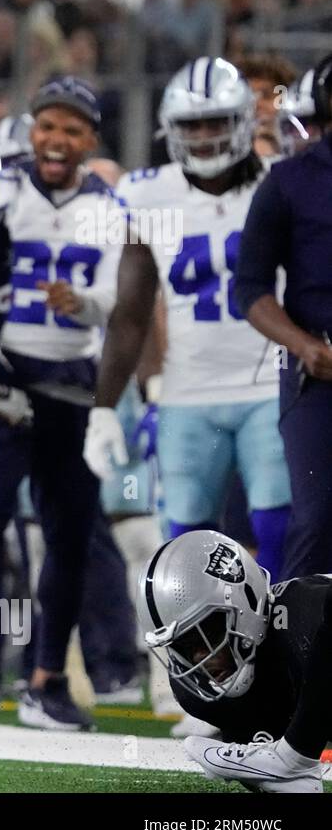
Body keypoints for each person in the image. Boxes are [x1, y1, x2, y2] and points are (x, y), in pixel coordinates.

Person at [0, 76, 124, 730]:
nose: (57, 140)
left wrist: (88, 302)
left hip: (71, 378)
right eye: (48, 126)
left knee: (68, 533)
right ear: (32, 128)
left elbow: (119, 300)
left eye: (73, 130)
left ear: (91, 140)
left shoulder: (107, 203)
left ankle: (46, 679)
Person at [84, 57, 290, 579]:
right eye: (190, 124)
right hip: (187, 391)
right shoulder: (147, 193)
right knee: (186, 551)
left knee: (280, 534)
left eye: (216, 121)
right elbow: (131, 312)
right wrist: (104, 407)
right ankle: (200, 660)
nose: (203, 136)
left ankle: (290, 654)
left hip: (271, 384)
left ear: (244, 120)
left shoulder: (281, 182)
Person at [234, 53, 332, 580]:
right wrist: (303, 345)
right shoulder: (289, 180)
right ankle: (299, 657)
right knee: (316, 520)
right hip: (318, 373)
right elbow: (250, 286)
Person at [138, 529, 328, 793]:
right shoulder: (200, 696)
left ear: (248, 600)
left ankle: (294, 757)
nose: (199, 657)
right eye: (184, 646)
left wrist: (300, 746)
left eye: (209, 631)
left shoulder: (305, 615)